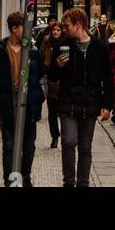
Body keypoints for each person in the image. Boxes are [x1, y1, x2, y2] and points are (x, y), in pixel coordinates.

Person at [48, 8, 113, 189]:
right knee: (68, 141)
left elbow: (108, 77)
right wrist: (57, 66)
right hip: (68, 103)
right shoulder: (63, 45)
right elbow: (52, 76)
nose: (64, 28)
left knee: (85, 147)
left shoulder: (99, 47)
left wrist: (107, 105)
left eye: (67, 25)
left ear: (78, 25)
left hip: (90, 104)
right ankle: (68, 182)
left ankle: (83, 184)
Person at [0, 11, 44, 187]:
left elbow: (42, 75)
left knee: (29, 146)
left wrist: (41, 93)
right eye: (24, 27)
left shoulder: (33, 51)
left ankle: (25, 177)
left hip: (30, 106)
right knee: (9, 147)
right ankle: (10, 180)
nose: (27, 31)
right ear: (14, 29)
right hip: (9, 105)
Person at [39, 20, 64, 148]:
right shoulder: (47, 41)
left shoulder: (65, 43)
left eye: (58, 30)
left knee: (63, 111)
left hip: (62, 81)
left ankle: (65, 136)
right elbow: (41, 55)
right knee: (52, 112)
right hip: (49, 79)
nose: (55, 32)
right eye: (54, 30)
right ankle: (54, 136)